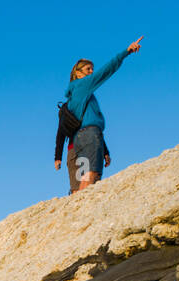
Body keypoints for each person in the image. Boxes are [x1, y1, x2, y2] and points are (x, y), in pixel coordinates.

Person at [57, 36, 142, 192]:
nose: (92, 72)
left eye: (92, 69)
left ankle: (77, 212)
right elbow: (106, 71)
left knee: (81, 181)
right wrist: (126, 52)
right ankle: (82, 211)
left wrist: (105, 149)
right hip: (90, 136)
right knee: (92, 175)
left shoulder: (73, 94)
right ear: (78, 73)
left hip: (78, 141)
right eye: (88, 69)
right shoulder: (83, 85)